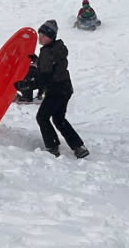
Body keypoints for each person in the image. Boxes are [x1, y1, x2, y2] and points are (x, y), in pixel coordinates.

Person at [31, 19, 88, 158]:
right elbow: (52, 65)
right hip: (65, 88)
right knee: (58, 118)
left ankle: (52, 147)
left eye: (44, 36)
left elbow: (45, 76)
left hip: (56, 90)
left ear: (51, 37)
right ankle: (79, 147)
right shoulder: (57, 47)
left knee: (42, 117)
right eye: (40, 34)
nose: (41, 37)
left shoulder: (47, 51)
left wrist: (26, 85)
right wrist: (37, 61)